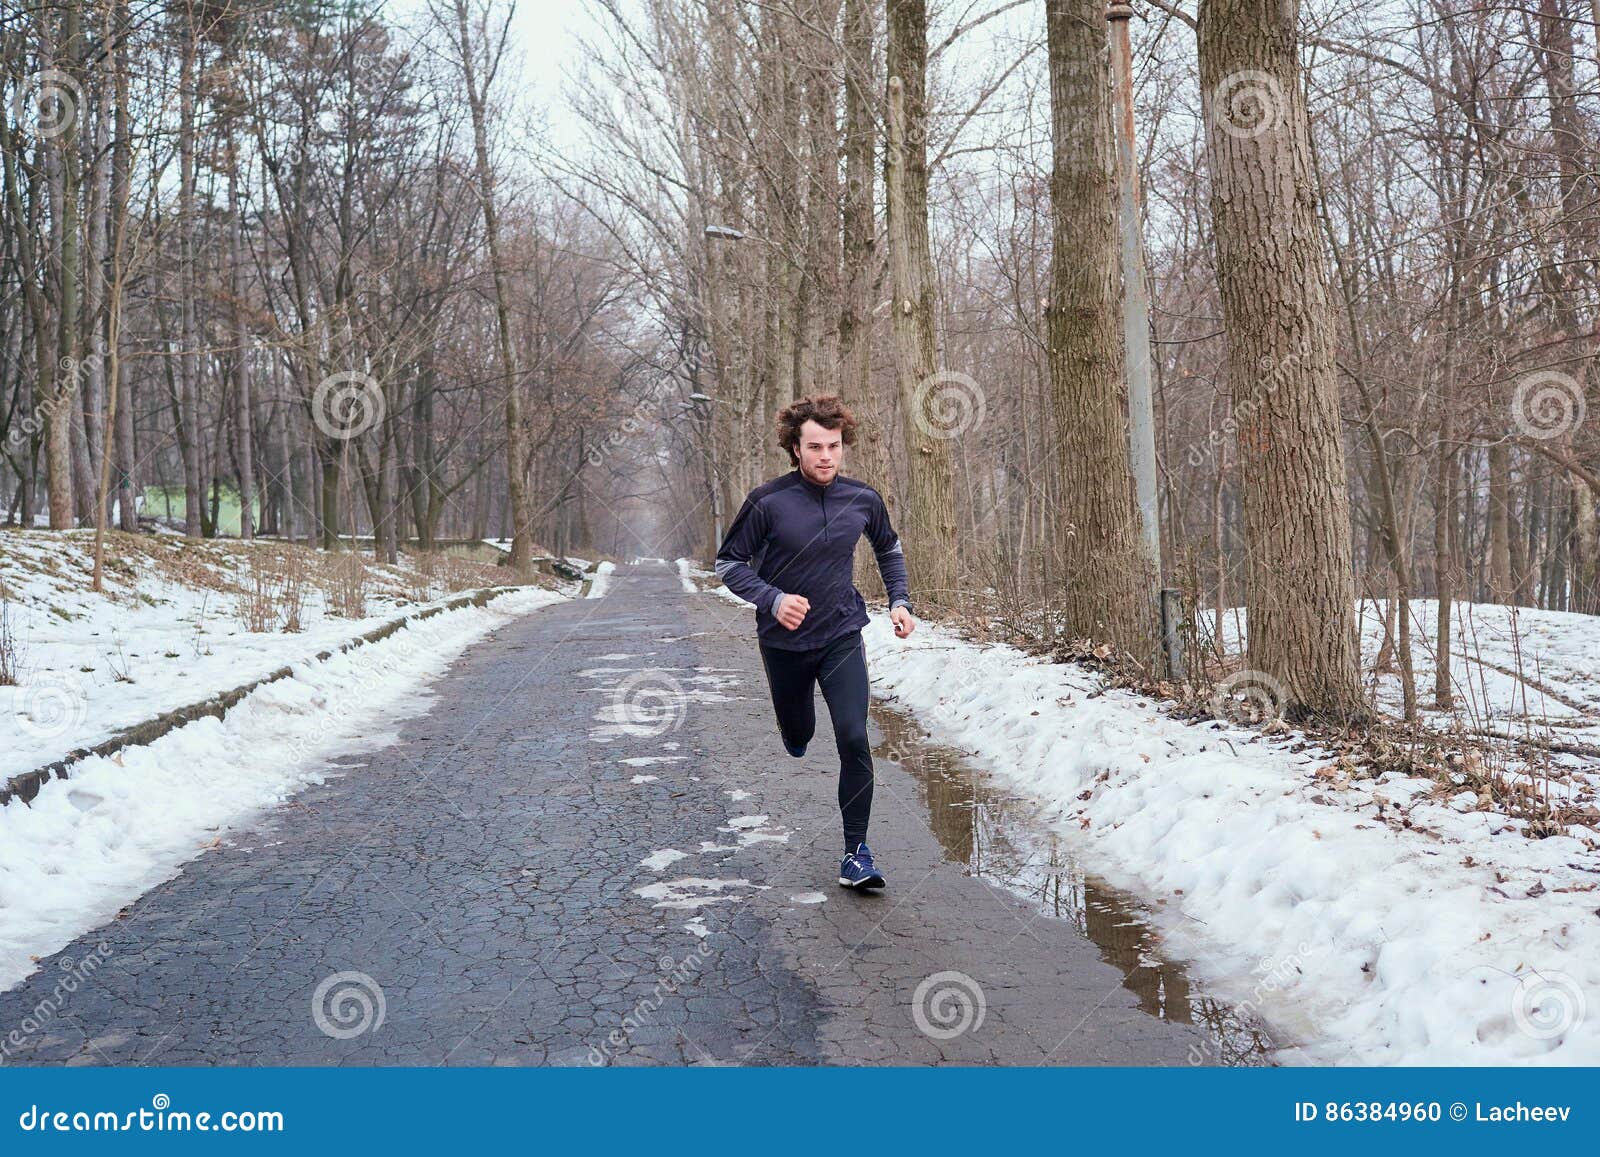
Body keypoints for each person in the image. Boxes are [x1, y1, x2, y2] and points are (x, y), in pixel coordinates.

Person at [714, 393, 916, 891]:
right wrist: (772, 598)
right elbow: (729, 564)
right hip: (784, 644)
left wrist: (900, 601)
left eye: (834, 445)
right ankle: (795, 731)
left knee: (853, 735)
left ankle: (856, 853)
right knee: (800, 735)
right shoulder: (768, 502)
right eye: (815, 446)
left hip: (841, 633)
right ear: (796, 450)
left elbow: (887, 546)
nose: (826, 455)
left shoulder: (862, 498)